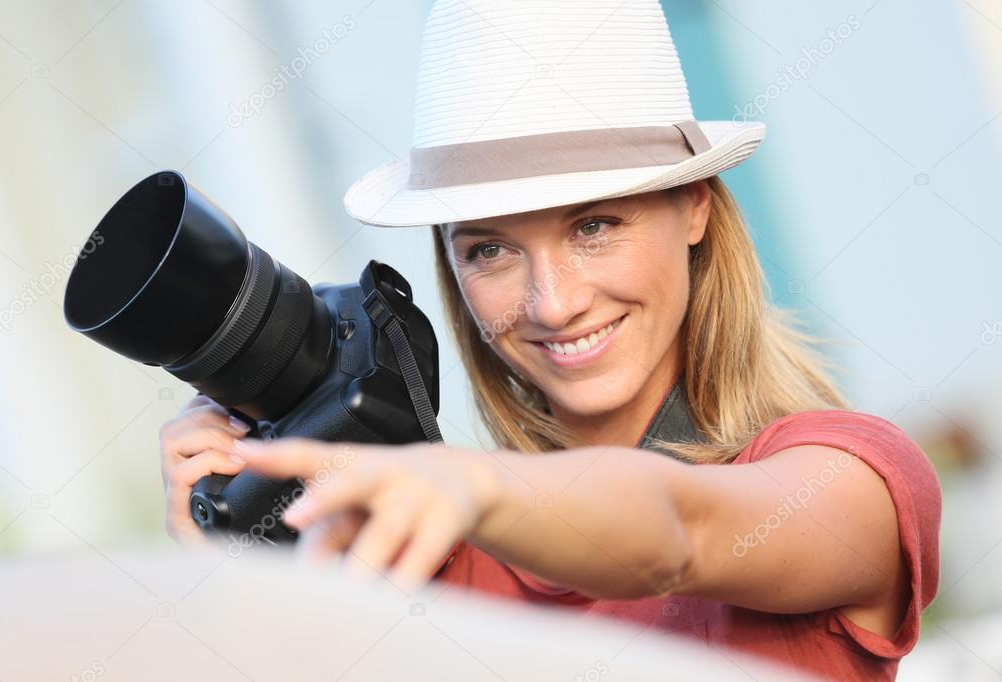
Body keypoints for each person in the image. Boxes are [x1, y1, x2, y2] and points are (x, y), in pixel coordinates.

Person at [157, 1, 941, 679]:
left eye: (594, 226)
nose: (553, 303)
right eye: (489, 250)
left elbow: (681, 531)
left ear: (695, 208)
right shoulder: (422, 551)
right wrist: (228, 565)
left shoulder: (845, 479)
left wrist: (475, 487)